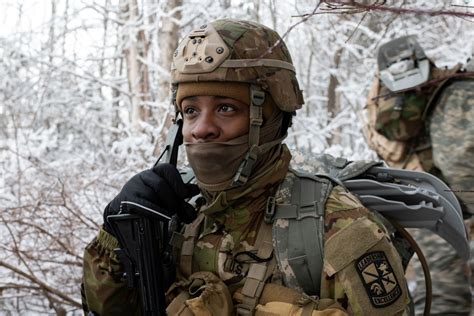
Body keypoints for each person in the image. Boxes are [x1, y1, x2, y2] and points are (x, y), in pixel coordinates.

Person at [81, 19, 412, 315]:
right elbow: (107, 308)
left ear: (271, 119)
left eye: (225, 108)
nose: (201, 128)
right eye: (191, 111)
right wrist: (117, 235)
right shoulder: (173, 209)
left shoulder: (337, 226)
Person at [365, 36, 474, 315]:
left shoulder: (383, 100)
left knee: (439, 293)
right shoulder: (458, 94)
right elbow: (460, 162)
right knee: (444, 295)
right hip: (452, 205)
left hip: (419, 203)